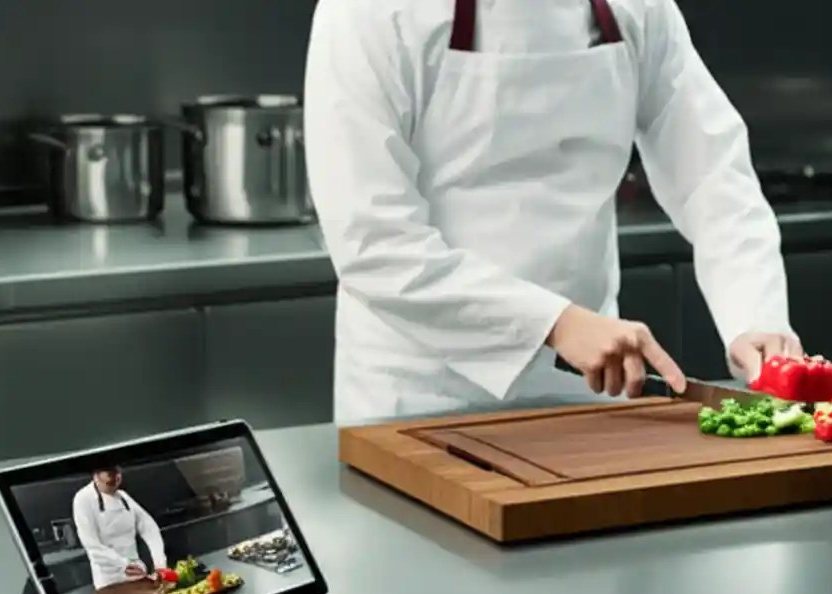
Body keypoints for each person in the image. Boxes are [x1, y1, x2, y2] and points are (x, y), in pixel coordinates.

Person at [304, 0, 802, 423]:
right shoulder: (367, 12)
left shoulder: (639, 8)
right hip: (415, 396)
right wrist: (553, 324)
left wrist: (754, 318)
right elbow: (373, 243)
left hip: (590, 390)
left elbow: (712, 176)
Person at [71, 466, 168, 594]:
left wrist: (160, 563)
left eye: (117, 475)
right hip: (110, 582)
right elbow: (92, 545)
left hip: (138, 575)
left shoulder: (123, 496)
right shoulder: (83, 499)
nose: (114, 481)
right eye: (109, 478)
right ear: (95, 475)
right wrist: (124, 564)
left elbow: (149, 528)